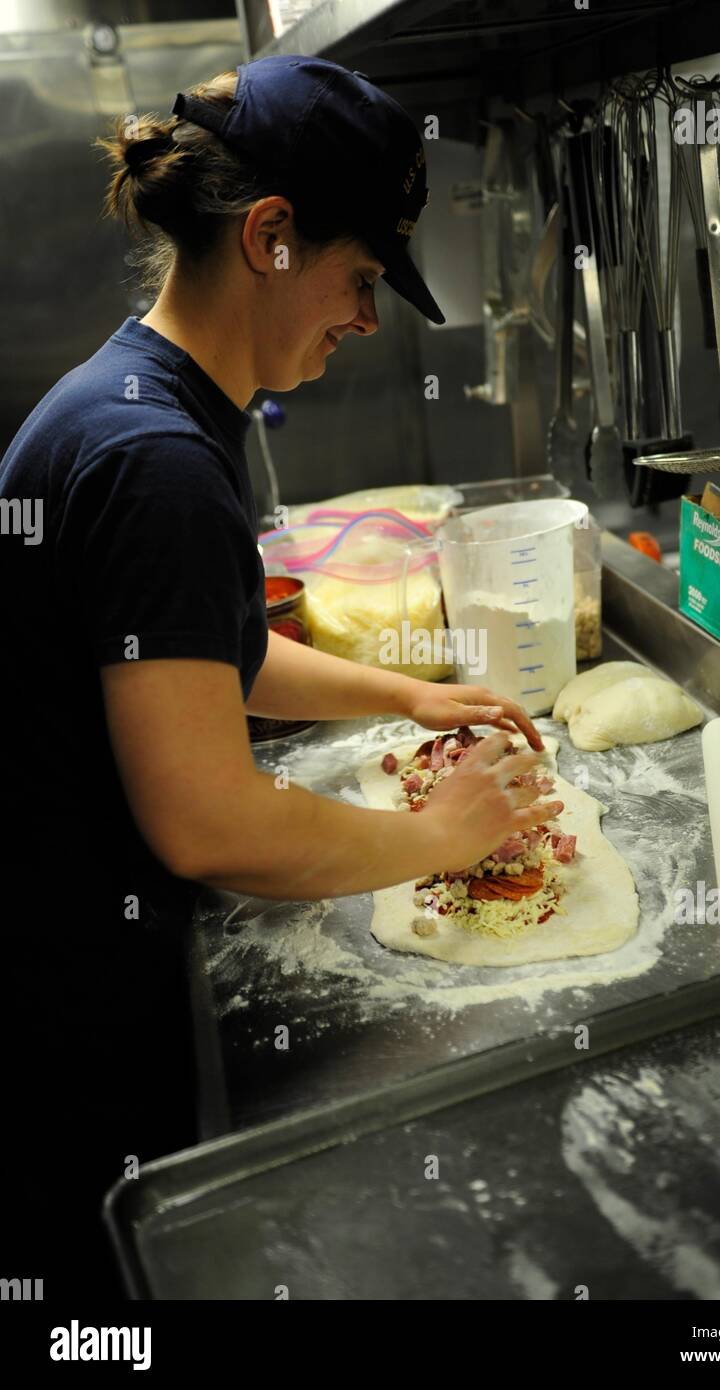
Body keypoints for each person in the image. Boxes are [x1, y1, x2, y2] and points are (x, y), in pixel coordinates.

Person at [0, 56, 560, 1298]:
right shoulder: (158, 460)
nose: (367, 320)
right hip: (59, 1019)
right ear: (269, 236)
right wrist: (435, 832)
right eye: (360, 278)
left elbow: (206, 657)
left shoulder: (135, 401)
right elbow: (207, 820)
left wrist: (411, 694)